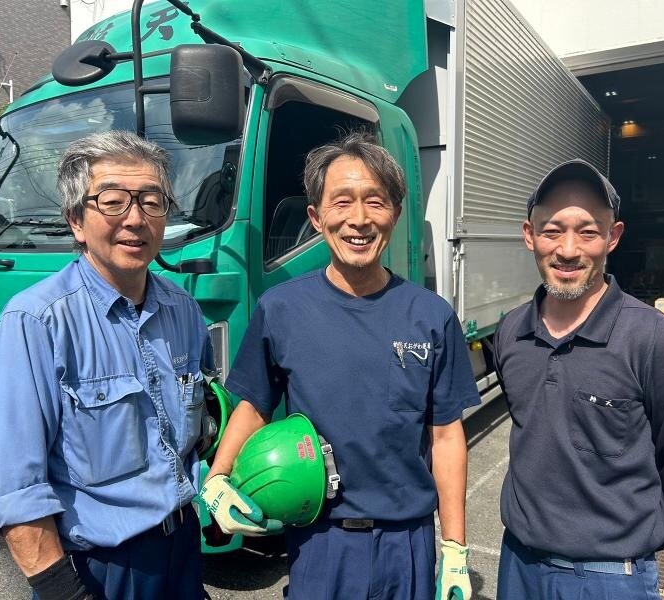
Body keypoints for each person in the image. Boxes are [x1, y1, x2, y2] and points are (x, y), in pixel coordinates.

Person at [199, 132, 480, 600]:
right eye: (342, 201)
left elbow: (447, 435)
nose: (359, 219)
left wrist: (454, 549)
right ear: (316, 217)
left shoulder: (431, 316)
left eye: (376, 201)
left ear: (395, 214)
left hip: (407, 542)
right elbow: (255, 405)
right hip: (319, 541)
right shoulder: (281, 308)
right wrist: (217, 477)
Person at [0, 130, 212, 600]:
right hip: (99, 570)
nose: (136, 219)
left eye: (151, 201)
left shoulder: (183, 310)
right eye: (113, 201)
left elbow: (196, 431)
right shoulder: (36, 322)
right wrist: (63, 591)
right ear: (76, 221)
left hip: (183, 551)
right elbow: (10, 487)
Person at [493, 159, 664, 599]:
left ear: (613, 237)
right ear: (529, 235)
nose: (568, 250)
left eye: (588, 232)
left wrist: (637, 536)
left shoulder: (658, 342)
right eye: (552, 230)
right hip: (518, 565)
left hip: (609, 577)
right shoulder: (511, 331)